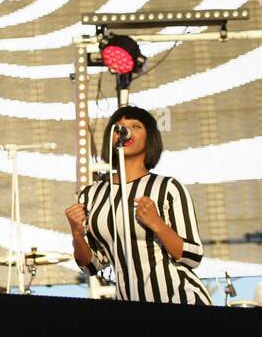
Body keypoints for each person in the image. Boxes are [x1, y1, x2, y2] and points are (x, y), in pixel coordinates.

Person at [64, 106, 212, 305]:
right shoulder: (92, 194)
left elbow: (192, 256)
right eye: (119, 127)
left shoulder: (167, 187)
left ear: (149, 138)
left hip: (179, 300)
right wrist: (76, 233)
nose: (125, 130)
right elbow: (90, 265)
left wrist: (157, 224)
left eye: (136, 126)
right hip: (129, 305)